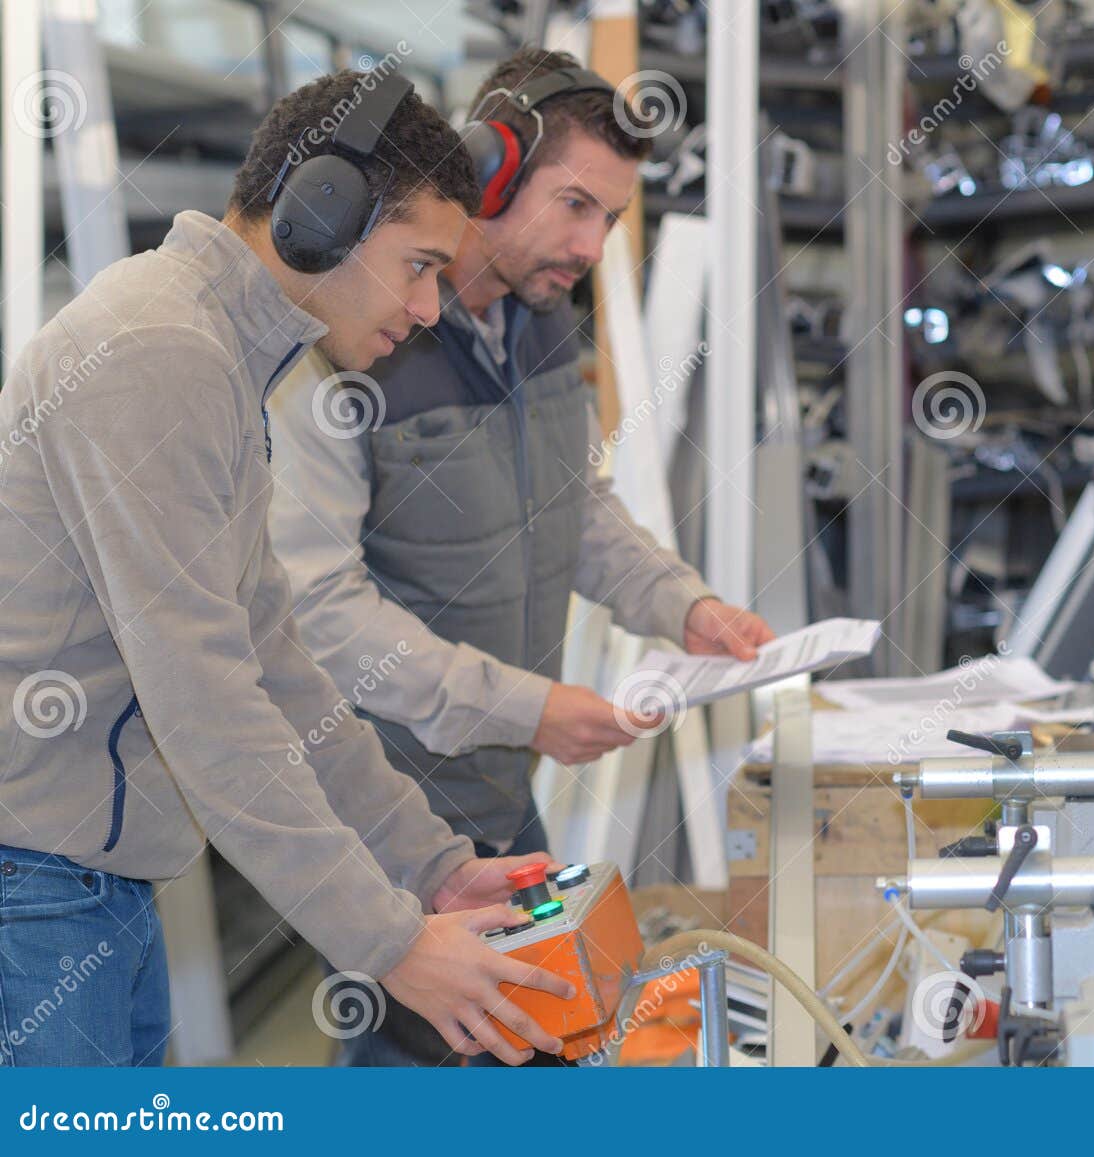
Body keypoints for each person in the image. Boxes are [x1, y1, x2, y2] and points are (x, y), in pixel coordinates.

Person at [0, 69, 576, 1068]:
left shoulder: (219, 355)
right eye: (419, 264)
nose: (431, 307)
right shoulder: (160, 352)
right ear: (322, 213)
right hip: (32, 890)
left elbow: (277, 662)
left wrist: (432, 867)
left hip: (82, 883)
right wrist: (390, 943)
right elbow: (208, 703)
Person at [266, 50, 774, 1065]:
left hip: (498, 791)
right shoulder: (350, 338)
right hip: (385, 810)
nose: (591, 246)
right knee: (406, 1068)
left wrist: (684, 605)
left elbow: (574, 510)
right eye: (575, 205)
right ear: (488, 172)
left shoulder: (542, 324)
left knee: (524, 1045)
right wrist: (527, 706)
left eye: (612, 220)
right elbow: (318, 609)